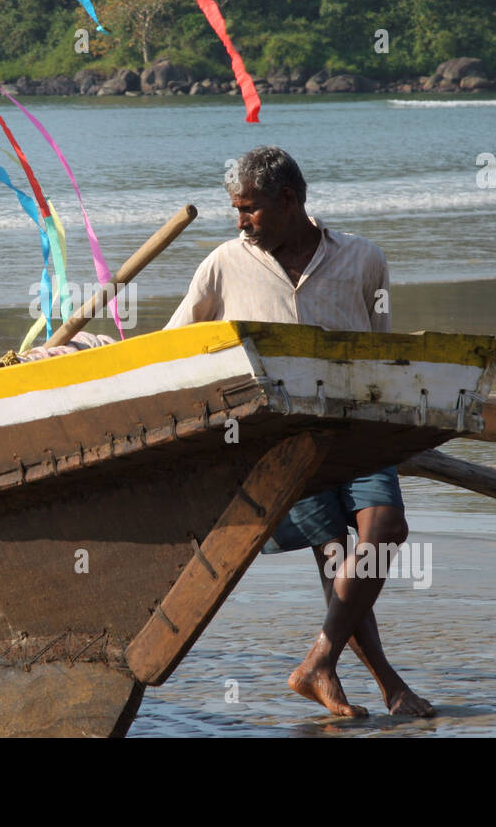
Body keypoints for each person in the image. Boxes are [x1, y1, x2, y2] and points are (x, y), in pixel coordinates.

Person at [165, 145, 435, 719]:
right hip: (282, 446)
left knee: (385, 527)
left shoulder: (364, 259)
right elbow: (176, 346)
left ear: (288, 201)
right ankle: (382, 687)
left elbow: (381, 348)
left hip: (359, 431)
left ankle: (321, 665)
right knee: (339, 559)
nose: (240, 221)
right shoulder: (223, 264)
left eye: (249, 209)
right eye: (236, 209)